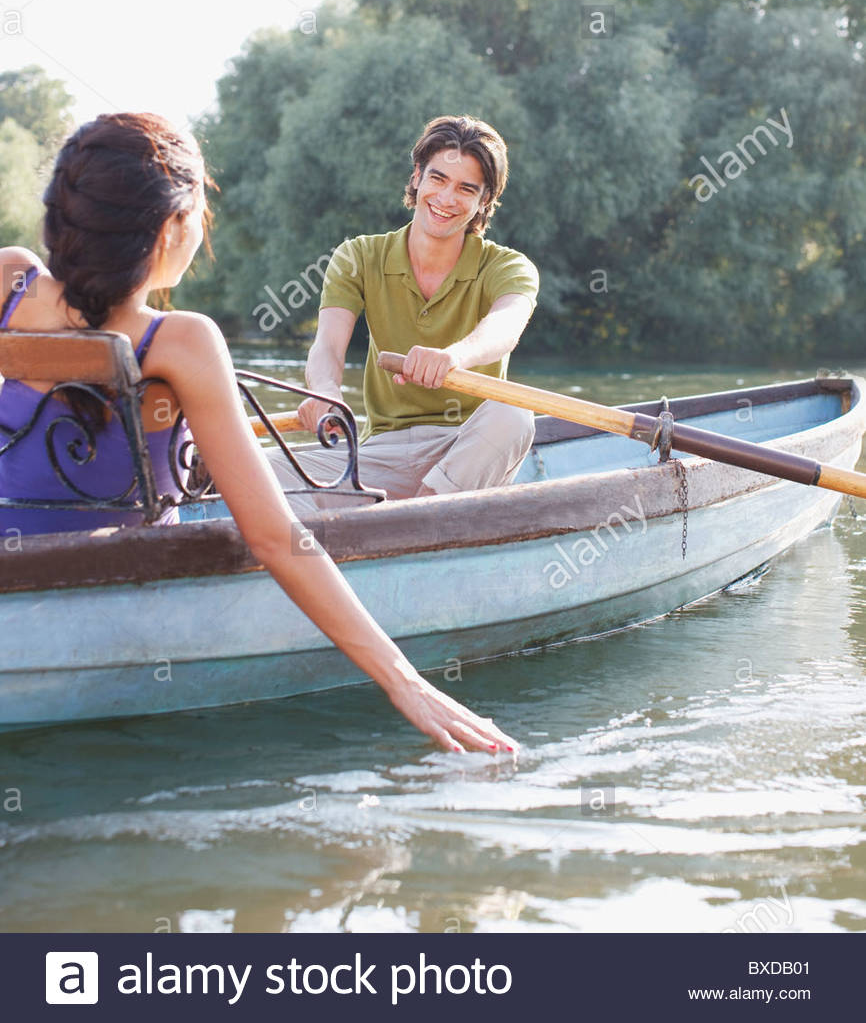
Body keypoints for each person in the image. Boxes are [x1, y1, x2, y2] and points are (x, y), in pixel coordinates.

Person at [0, 112, 515, 755]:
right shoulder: (181, 339)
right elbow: (275, 539)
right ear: (172, 226)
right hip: (104, 575)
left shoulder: (10, 279)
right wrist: (404, 679)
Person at [276, 114, 538, 504]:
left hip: (467, 450)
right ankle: (395, 523)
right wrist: (326, 394)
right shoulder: (358, 256)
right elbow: (328, 345)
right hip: (383, 451)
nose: (447, 199)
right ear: (417, 176)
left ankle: (421, 520)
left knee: (515, 414)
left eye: (466, 189)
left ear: (484, 200)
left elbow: (506, 326)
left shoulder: (507, 266)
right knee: (258, 471)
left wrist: (453, 357)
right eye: (438, 179)